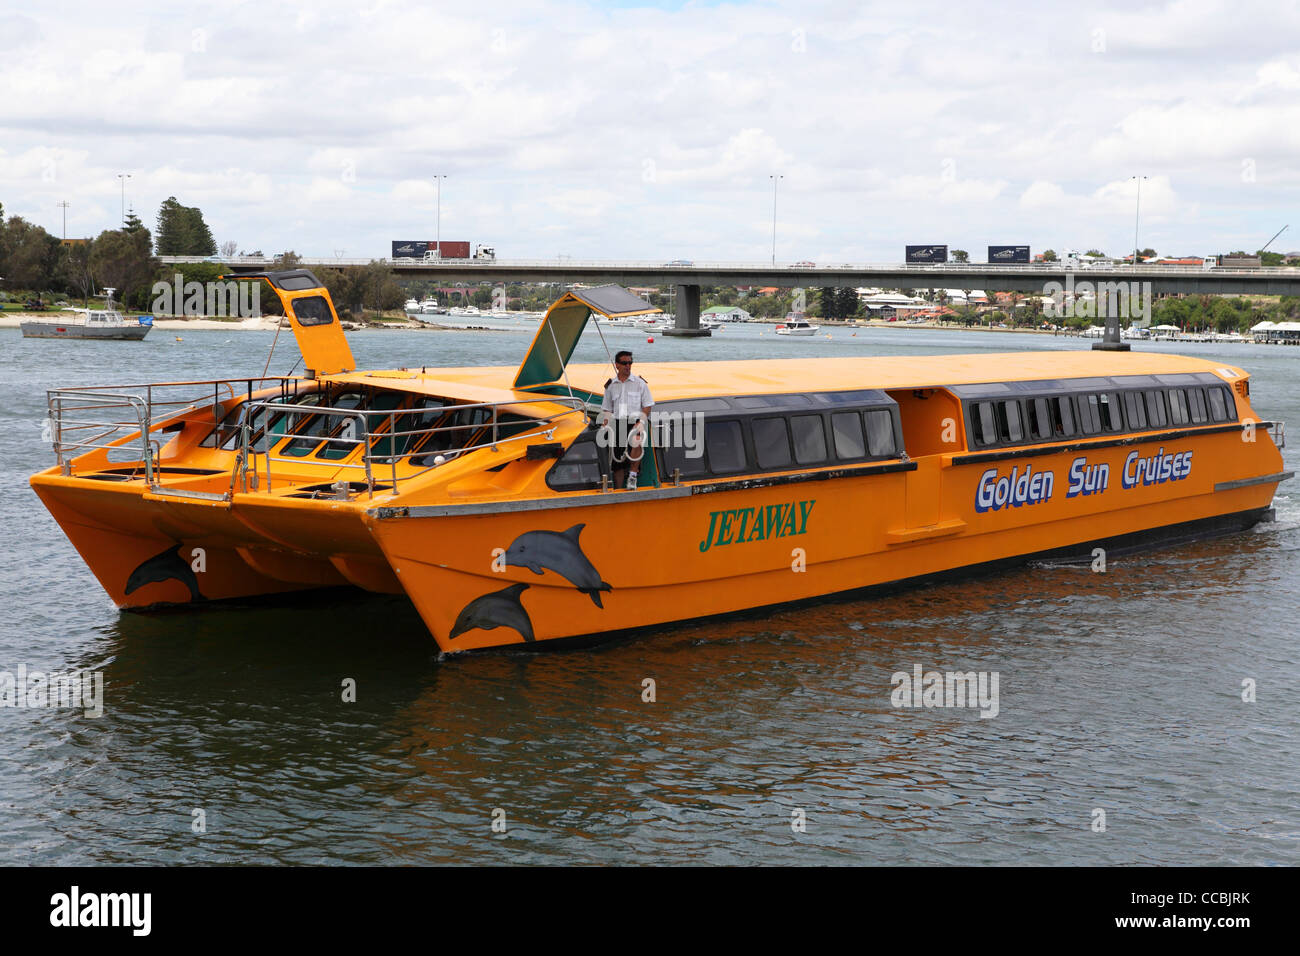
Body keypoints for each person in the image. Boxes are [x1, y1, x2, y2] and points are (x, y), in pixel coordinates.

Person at [598, 350, 653, 489]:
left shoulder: (640, 383)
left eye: (630, 363)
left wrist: (641, 422)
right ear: (617, 365)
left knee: (637, 441)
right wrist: (605, 425)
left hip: (635, 422)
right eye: (624, 363)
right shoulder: (610, 385)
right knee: (617, 461)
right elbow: (607, 408)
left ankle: (632, 478)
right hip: (617, 423)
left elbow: (647, 406)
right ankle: (618, 487)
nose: (628, 366)